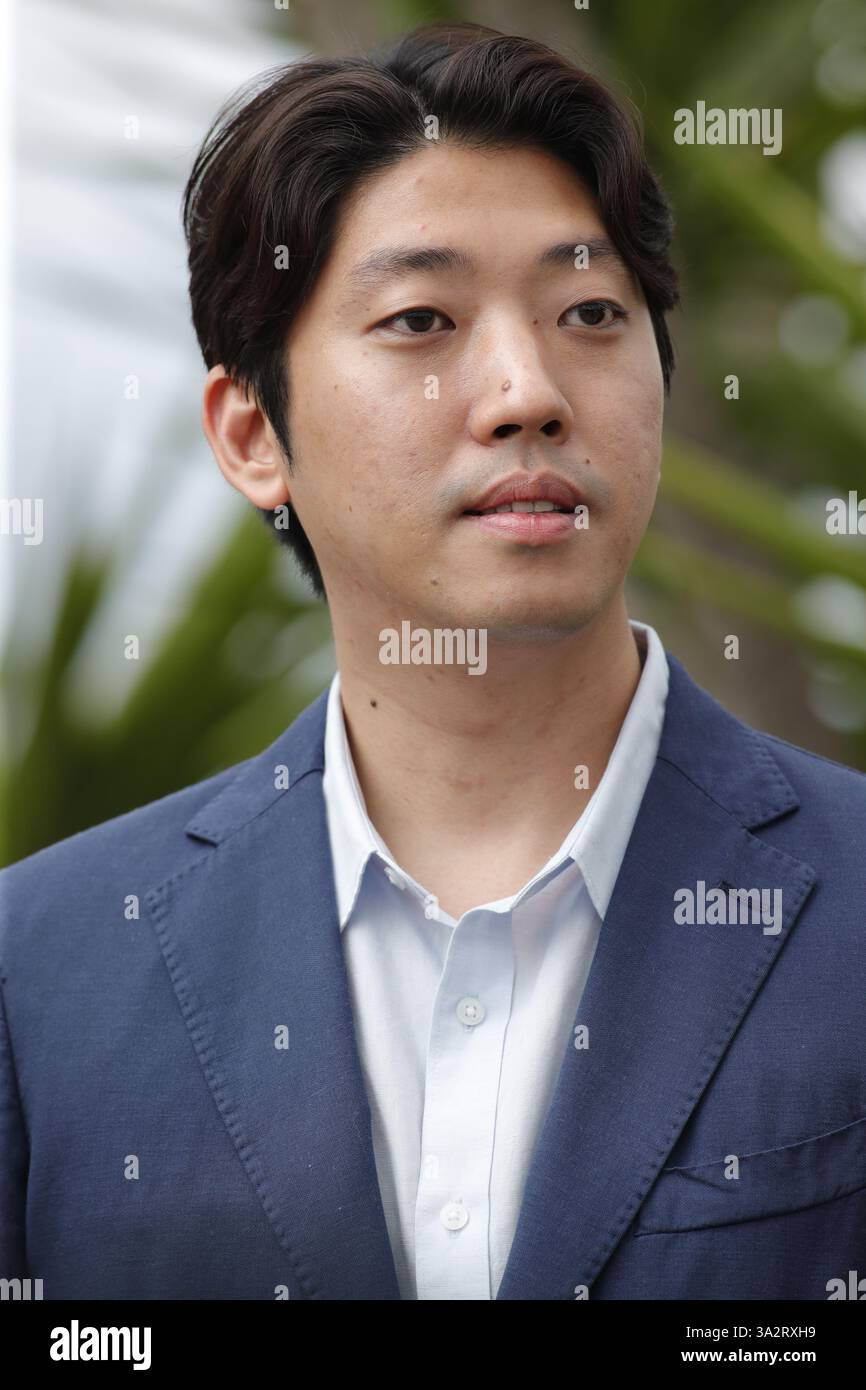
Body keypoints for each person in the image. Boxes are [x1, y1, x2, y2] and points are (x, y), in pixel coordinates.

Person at [1, 21, 864, 1303]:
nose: (527, 389)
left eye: (586, 312)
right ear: (253, 435)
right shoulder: (41, 968)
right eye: (419, 319)